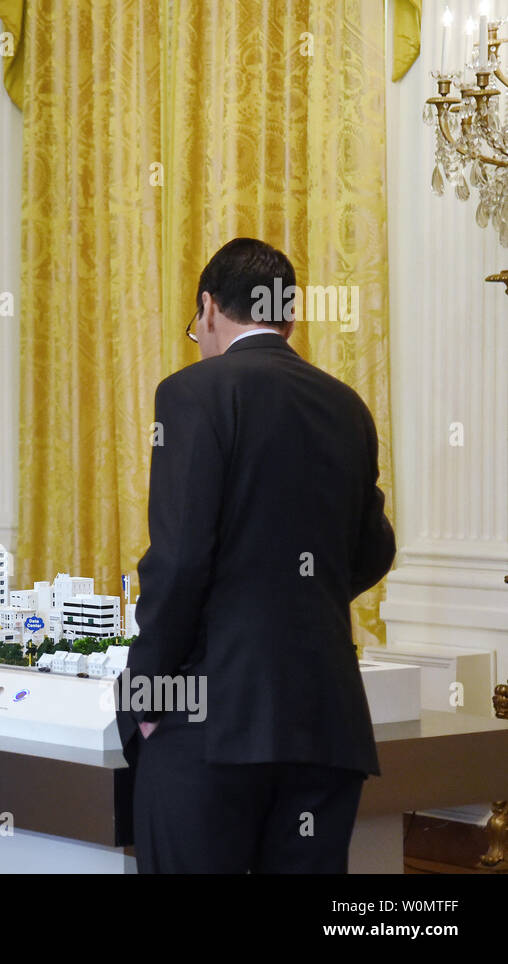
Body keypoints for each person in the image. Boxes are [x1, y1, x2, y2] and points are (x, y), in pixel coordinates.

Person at [116, 238, 396, 873]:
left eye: (197, 326)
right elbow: (375, 549)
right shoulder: (345, 405)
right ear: (288, 319)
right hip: (325, 724)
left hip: (209, 723)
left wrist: (147, 694)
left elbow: (182, 558)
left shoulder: (192, 392)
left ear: (209, 308)